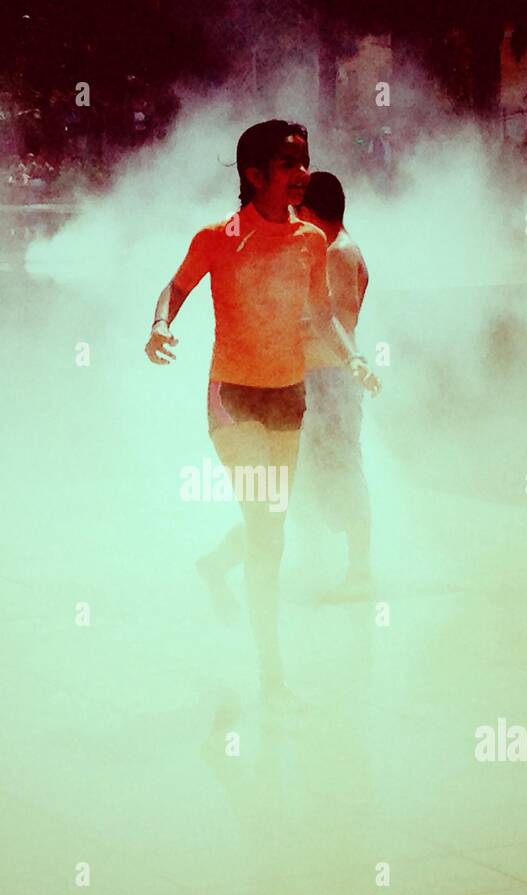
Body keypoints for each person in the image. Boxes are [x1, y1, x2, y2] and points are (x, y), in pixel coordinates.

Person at [144, 120, 378, 708]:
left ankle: (223, 584)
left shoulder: (312, 243)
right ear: (255, 175)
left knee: (268, 532)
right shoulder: (217, 237)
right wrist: (159, 326)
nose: (303, 175)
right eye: (289, 164)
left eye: (305, 162)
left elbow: (323, 318)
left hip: (287, 399)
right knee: (266, 526)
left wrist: (354, 361)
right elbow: (174, 288)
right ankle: (272, 677)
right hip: (234, 401)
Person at [297, 171, 373, 594]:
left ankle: (359, 570)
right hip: (318, 377)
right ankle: (316, 565)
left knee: (343, 470)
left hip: (332, 379)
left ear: (311, 211)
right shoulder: (330, 250)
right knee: (311, 472)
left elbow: (333, 320)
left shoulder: (339, 253)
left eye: (297, 209)